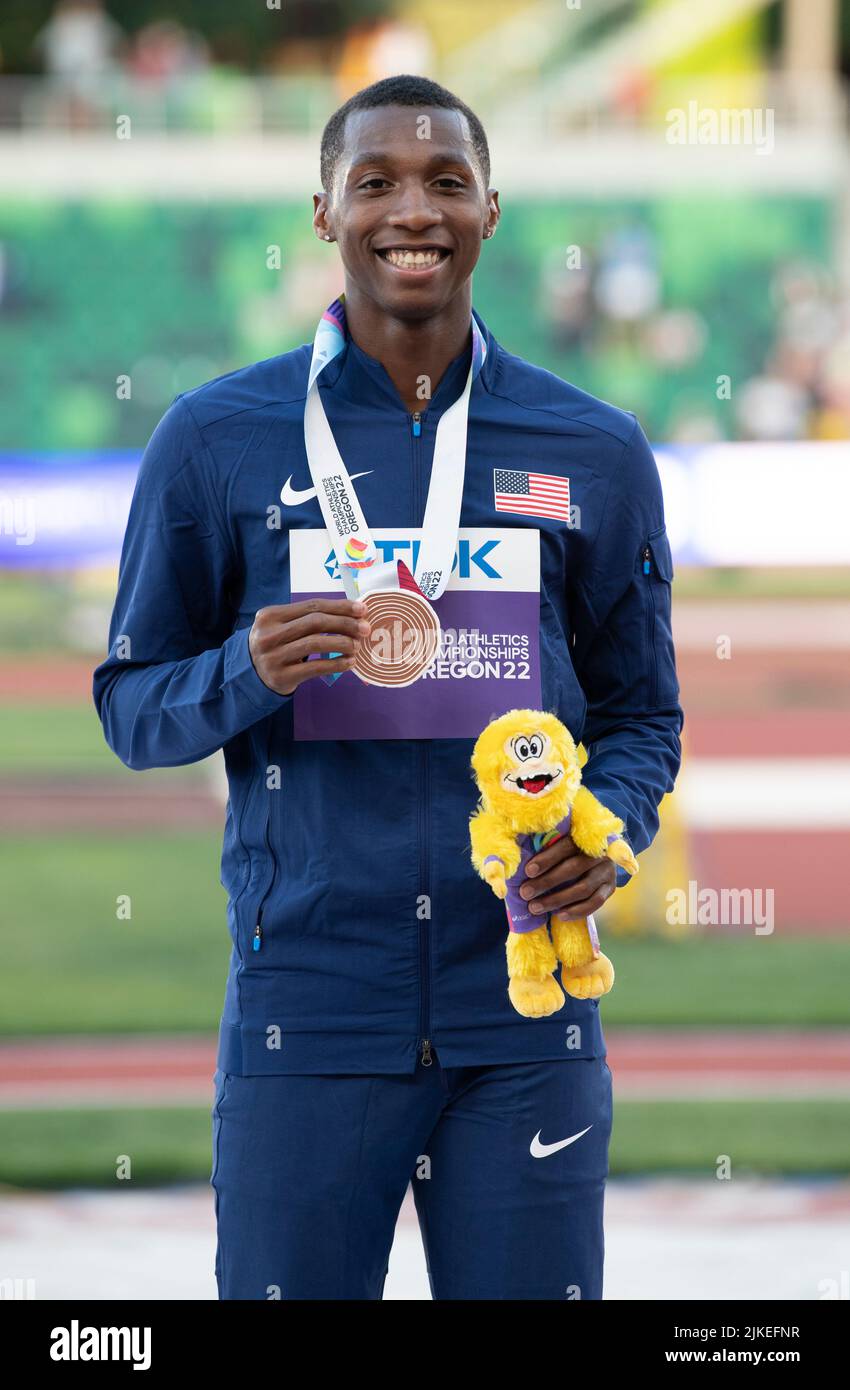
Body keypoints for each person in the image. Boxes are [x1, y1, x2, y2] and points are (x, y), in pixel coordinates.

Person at [92, 74, 683, 1301]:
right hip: (305, 1006)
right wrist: (242, 670)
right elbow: (132, 705)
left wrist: (610, 829)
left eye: (444, 181)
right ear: (325, 213)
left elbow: (639, 716)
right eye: (375, 183)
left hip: (524, 1007)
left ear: (490, 210)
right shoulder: (218, 438)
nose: (410, 208)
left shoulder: (594, 448)